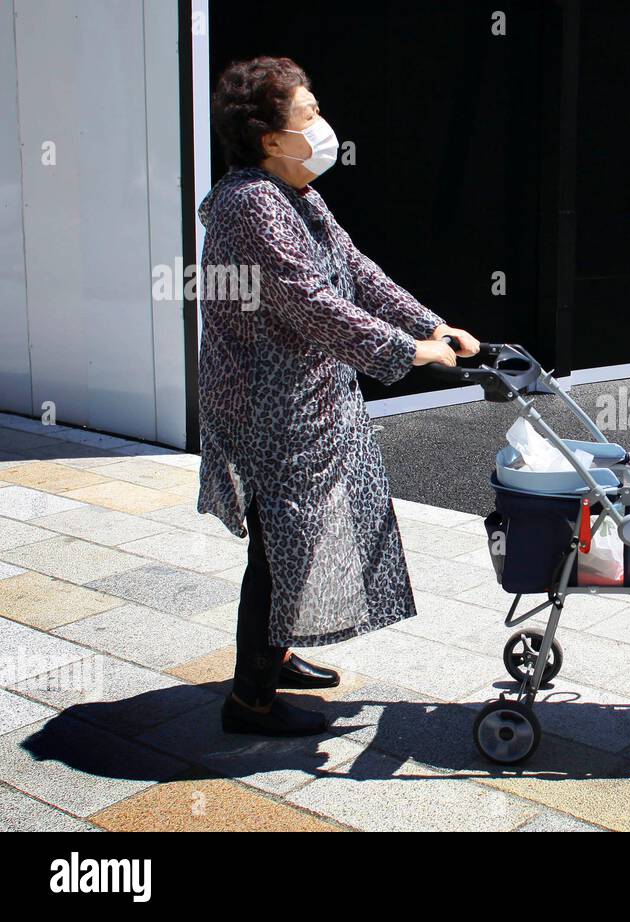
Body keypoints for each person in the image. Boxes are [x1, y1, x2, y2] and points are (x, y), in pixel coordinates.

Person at [197, 57, 480, 735]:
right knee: (278, 545)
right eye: (309, 114)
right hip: (266, 405)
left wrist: (428, 322)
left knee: (296, 537)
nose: (324, 125)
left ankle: (276, 653)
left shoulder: (296, 192)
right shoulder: (251, 206)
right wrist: (408, 353)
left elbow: (355, 269)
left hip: (302, 397)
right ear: (270, 137)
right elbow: (310, 302)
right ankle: (250, 701)